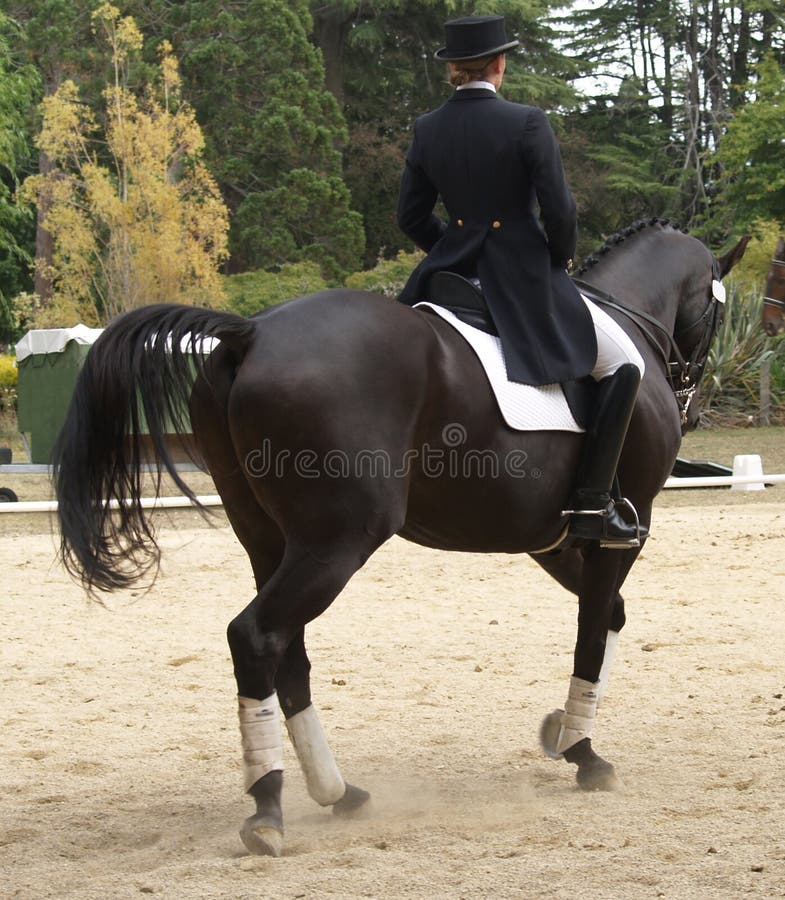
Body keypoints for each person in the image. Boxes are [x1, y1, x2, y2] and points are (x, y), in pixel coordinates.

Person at [396, 14, 647, 548]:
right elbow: (560, 211)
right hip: (523, 274)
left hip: (448, 276)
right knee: (622, 363)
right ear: (500, 64)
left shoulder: (427, 129)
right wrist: (559, 259)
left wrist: (454, 246)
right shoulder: (527, 121)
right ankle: (594, 504)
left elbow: (411, 218)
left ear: (453, 70)